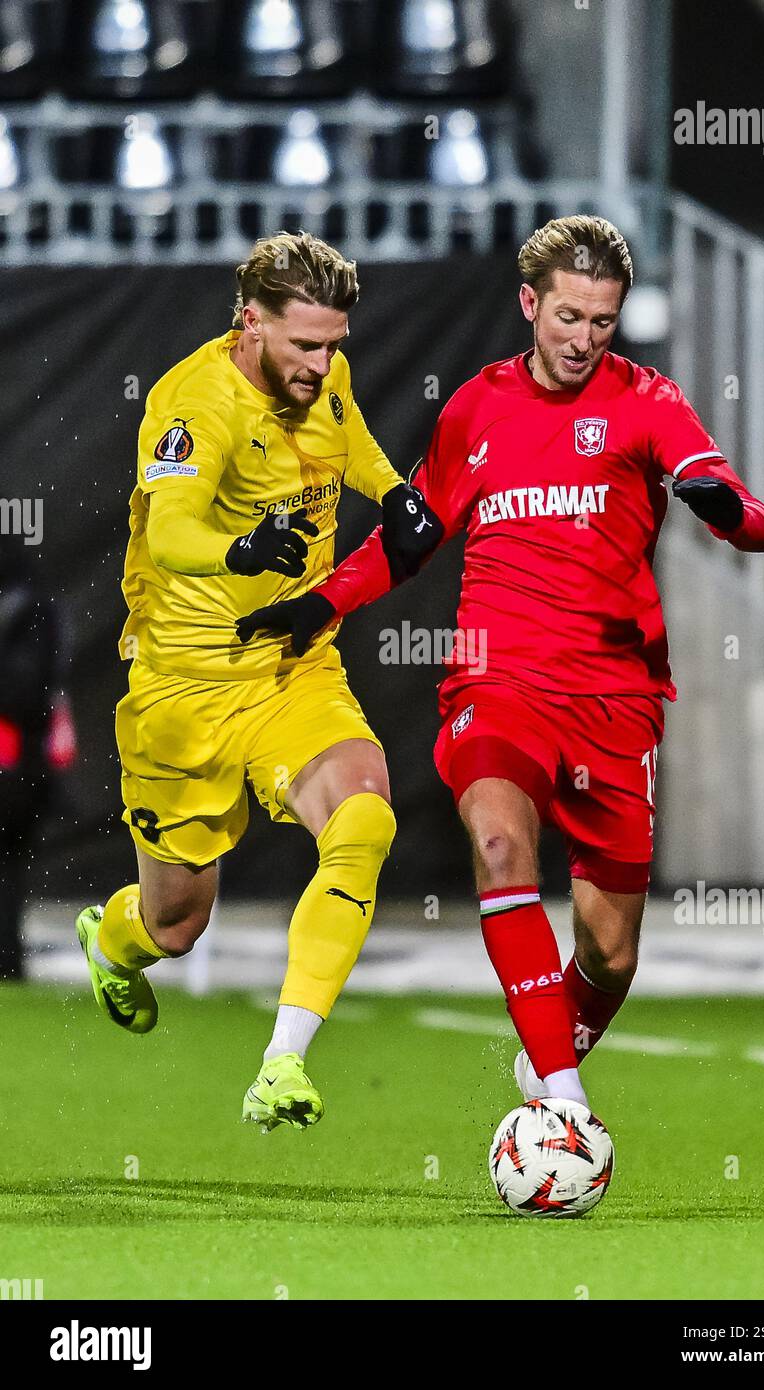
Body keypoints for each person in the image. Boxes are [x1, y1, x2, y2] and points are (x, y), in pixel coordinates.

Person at [237, 214, 764, 1120]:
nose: (583, 339)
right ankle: (564, 1106)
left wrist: (719, 503)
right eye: (568, 317)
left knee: (611, 955)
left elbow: (754, 523)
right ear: (530, 304)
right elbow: (407, 542)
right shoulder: (477, 408)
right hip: (498, 682)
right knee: (497, 846)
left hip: (617, 698)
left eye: (602, 322)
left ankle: (548, 1061)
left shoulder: (649, 403)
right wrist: (321, 601)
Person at [75, 231, 441, 1131]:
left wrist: (392, 490)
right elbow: (171, 533)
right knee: (175, 926)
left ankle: (282, 1062)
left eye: (335, 344)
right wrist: (235, 549)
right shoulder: (193, 405)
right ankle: (111, 941)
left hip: (290, 666)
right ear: (251, 322)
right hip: (181, 688)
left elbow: (343, 438)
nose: (323, 363)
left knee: (364, 818)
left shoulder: (324, 376)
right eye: (305, 345)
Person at [0, 538, 77, 978]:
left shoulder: (25, 609)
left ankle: (6, 959)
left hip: (15, 761)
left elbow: (28, 691)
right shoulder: (35, 605)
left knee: (8, 863)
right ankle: (7, 959)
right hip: (23, 762)